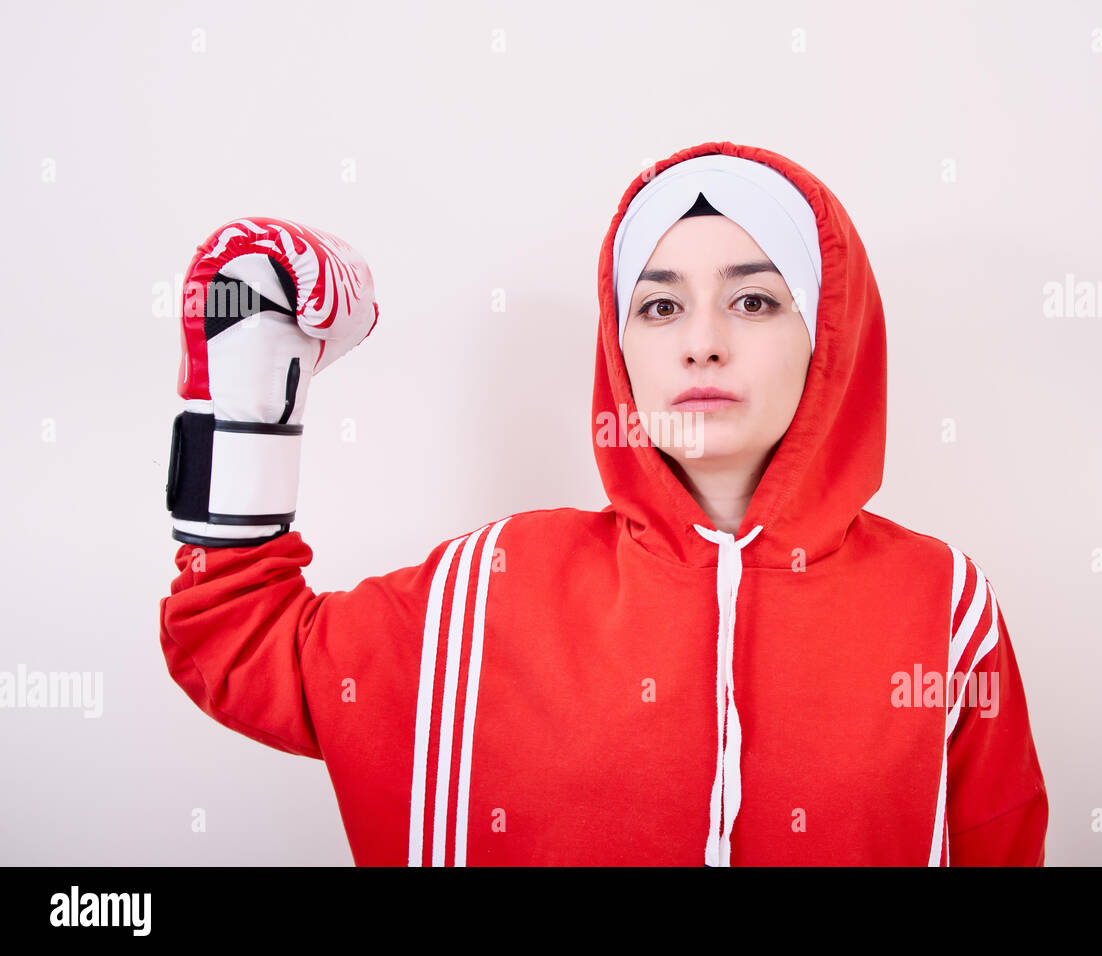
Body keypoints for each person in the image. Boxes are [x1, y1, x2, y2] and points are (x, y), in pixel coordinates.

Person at [160, 140, 1049, 866]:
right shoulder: (491, 588)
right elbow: (235, 641)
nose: (702, 343)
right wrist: (245, 401)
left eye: (753, 299)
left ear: (828, 332)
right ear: (620, 347)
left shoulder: (944, 604)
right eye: (660, 308)